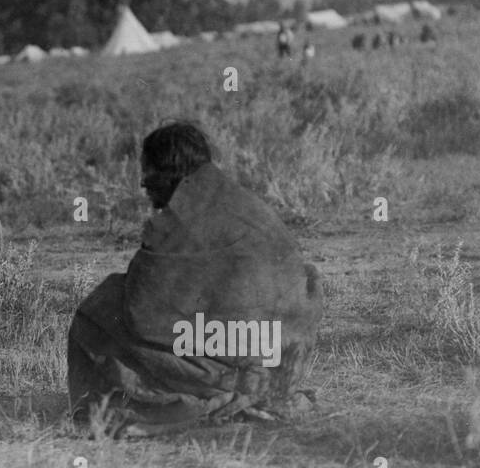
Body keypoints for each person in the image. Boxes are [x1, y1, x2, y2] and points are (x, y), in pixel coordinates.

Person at [67, 122, 323, 437]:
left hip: (239, 362)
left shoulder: (178, 221)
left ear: (168, 171)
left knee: (102, 309)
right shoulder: (242, 202)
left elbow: (141, 312)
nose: (143, 183)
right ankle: (244, 391)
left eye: (148, 170)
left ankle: (159, 405)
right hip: (282, 359)